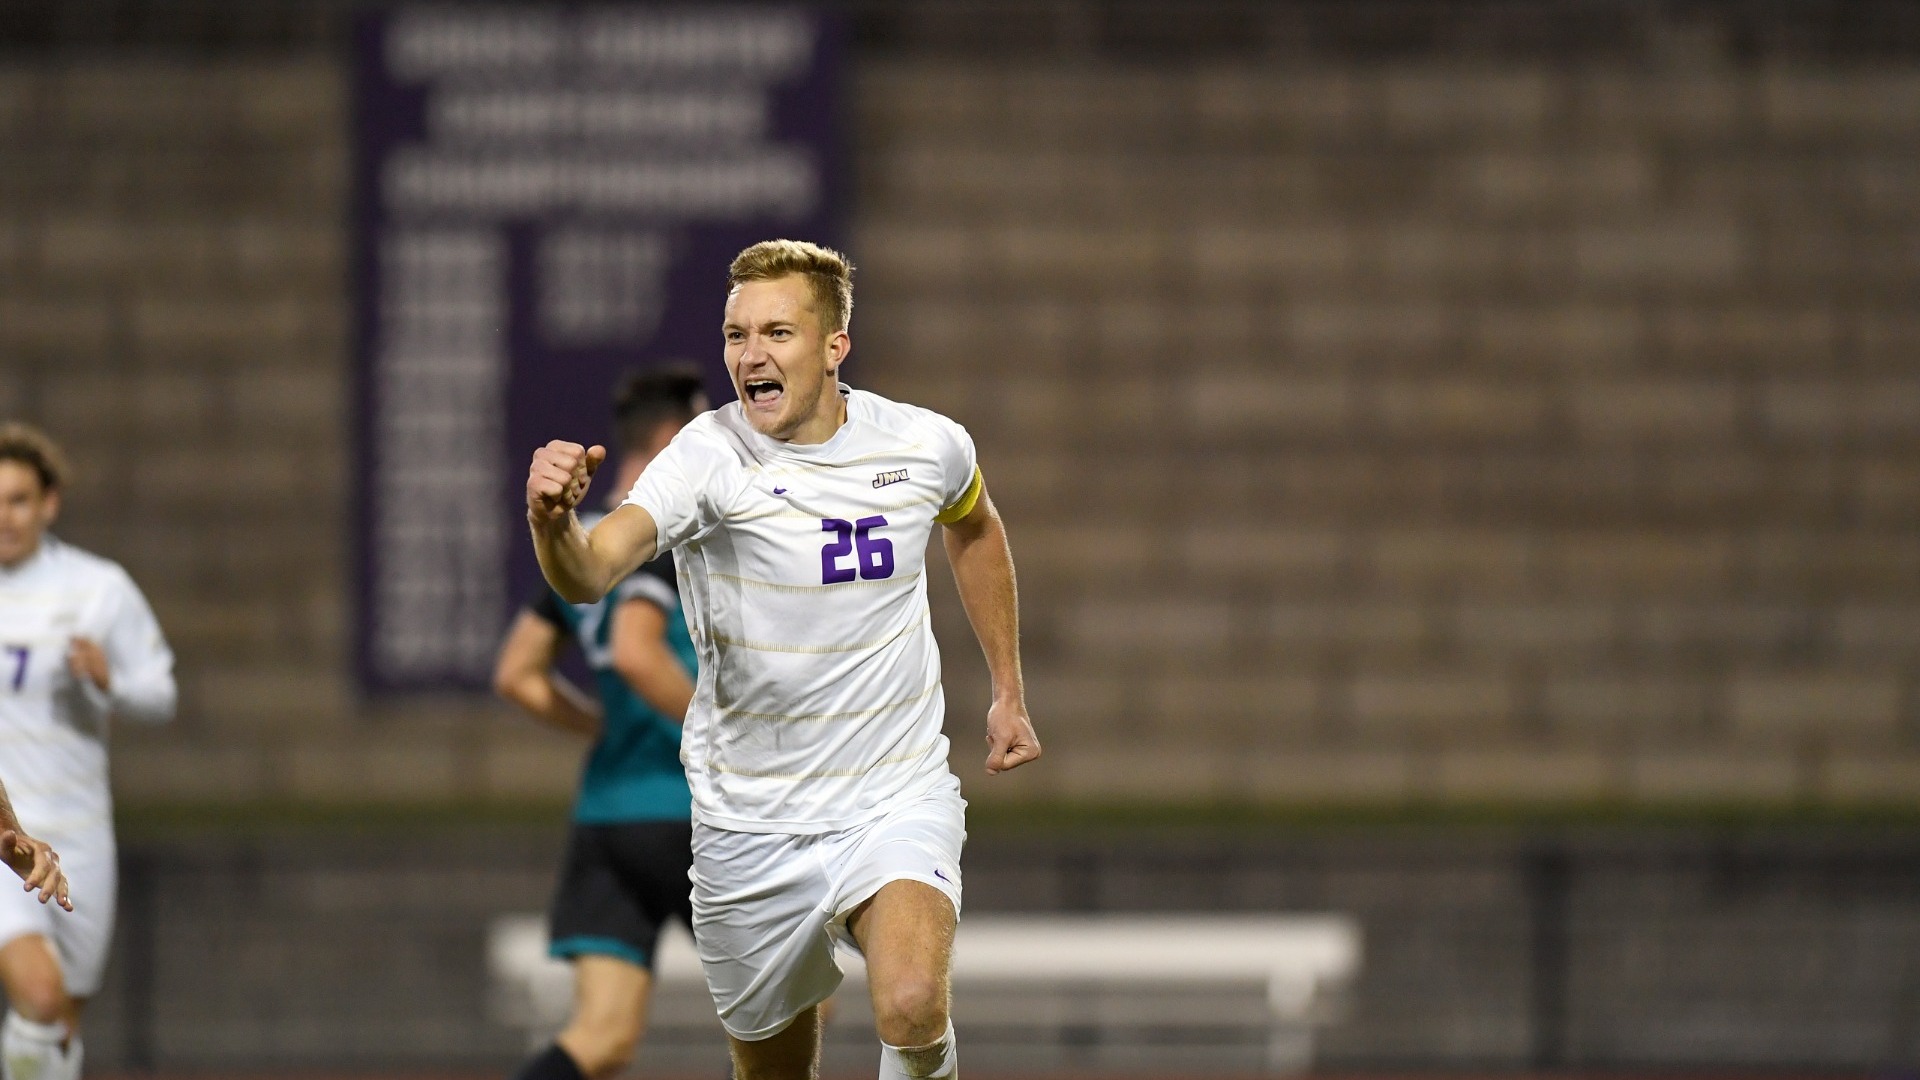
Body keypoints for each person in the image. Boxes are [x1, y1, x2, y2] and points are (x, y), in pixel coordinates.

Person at [525, 240, 1041, 1080]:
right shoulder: (703, 458)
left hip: (892, 792)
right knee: (774, 1071)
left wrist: (1008, 690)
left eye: (776, 332)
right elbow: (588, 574)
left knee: (911, 1003)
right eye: (735, 335)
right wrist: (553, 524)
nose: (750, 355)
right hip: (749, 823)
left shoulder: (922, 444)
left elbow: (973, 524)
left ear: (835, 346)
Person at [493, 367, 706, 1080]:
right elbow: (636, 651)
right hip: (697, 812)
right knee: (802, 1009)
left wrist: (598, 726)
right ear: (676, 436)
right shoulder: (676, 524)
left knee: (602, 1035)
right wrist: (717, 728)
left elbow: (517, 674)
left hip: (609, 816)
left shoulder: (580, 540)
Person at [0, 422, 175, 1080]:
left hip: (79, 837)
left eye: (18, 499)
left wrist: (111, 682)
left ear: (49, 504)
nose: (4, 516)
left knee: (58, 1027)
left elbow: (160, 696)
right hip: (5, 835)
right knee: (40, 998)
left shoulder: (98, 590)